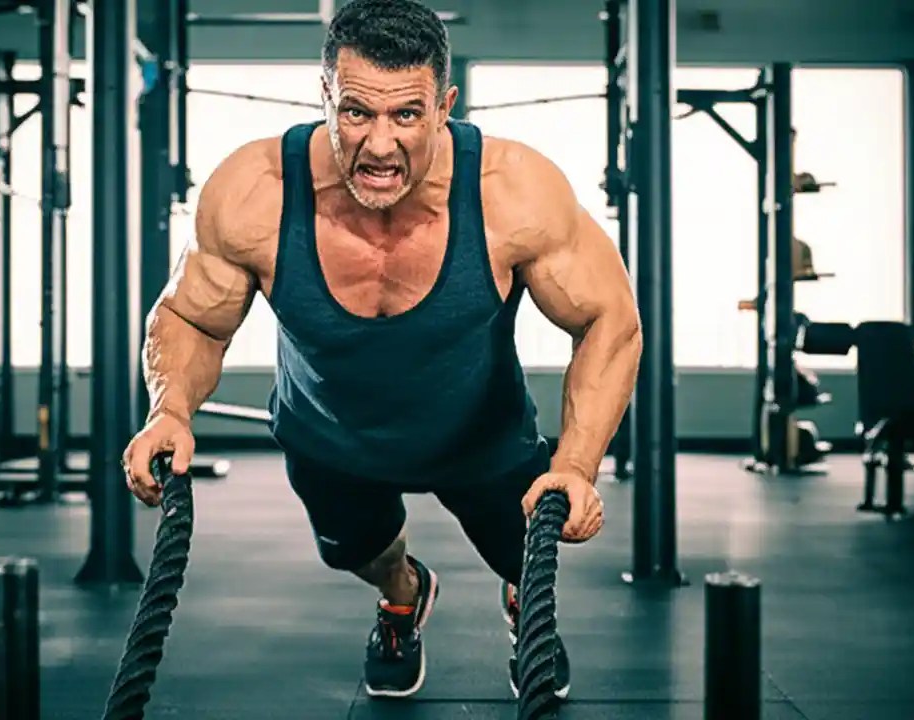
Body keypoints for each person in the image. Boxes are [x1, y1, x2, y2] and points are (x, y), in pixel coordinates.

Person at [122, 0, 642, 701]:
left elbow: (610, 320)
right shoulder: (255, 193)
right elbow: (191, 315)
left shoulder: (512, 193)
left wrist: (577, 466)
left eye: (406, 115)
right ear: (326, 96)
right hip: (333, 439)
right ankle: (403, 596)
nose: (378, 145)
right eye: (357, 112)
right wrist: (171, 409)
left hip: (479, 436)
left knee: (529, 556)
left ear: (444, 107)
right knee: (360, 556)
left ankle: (527, 604)